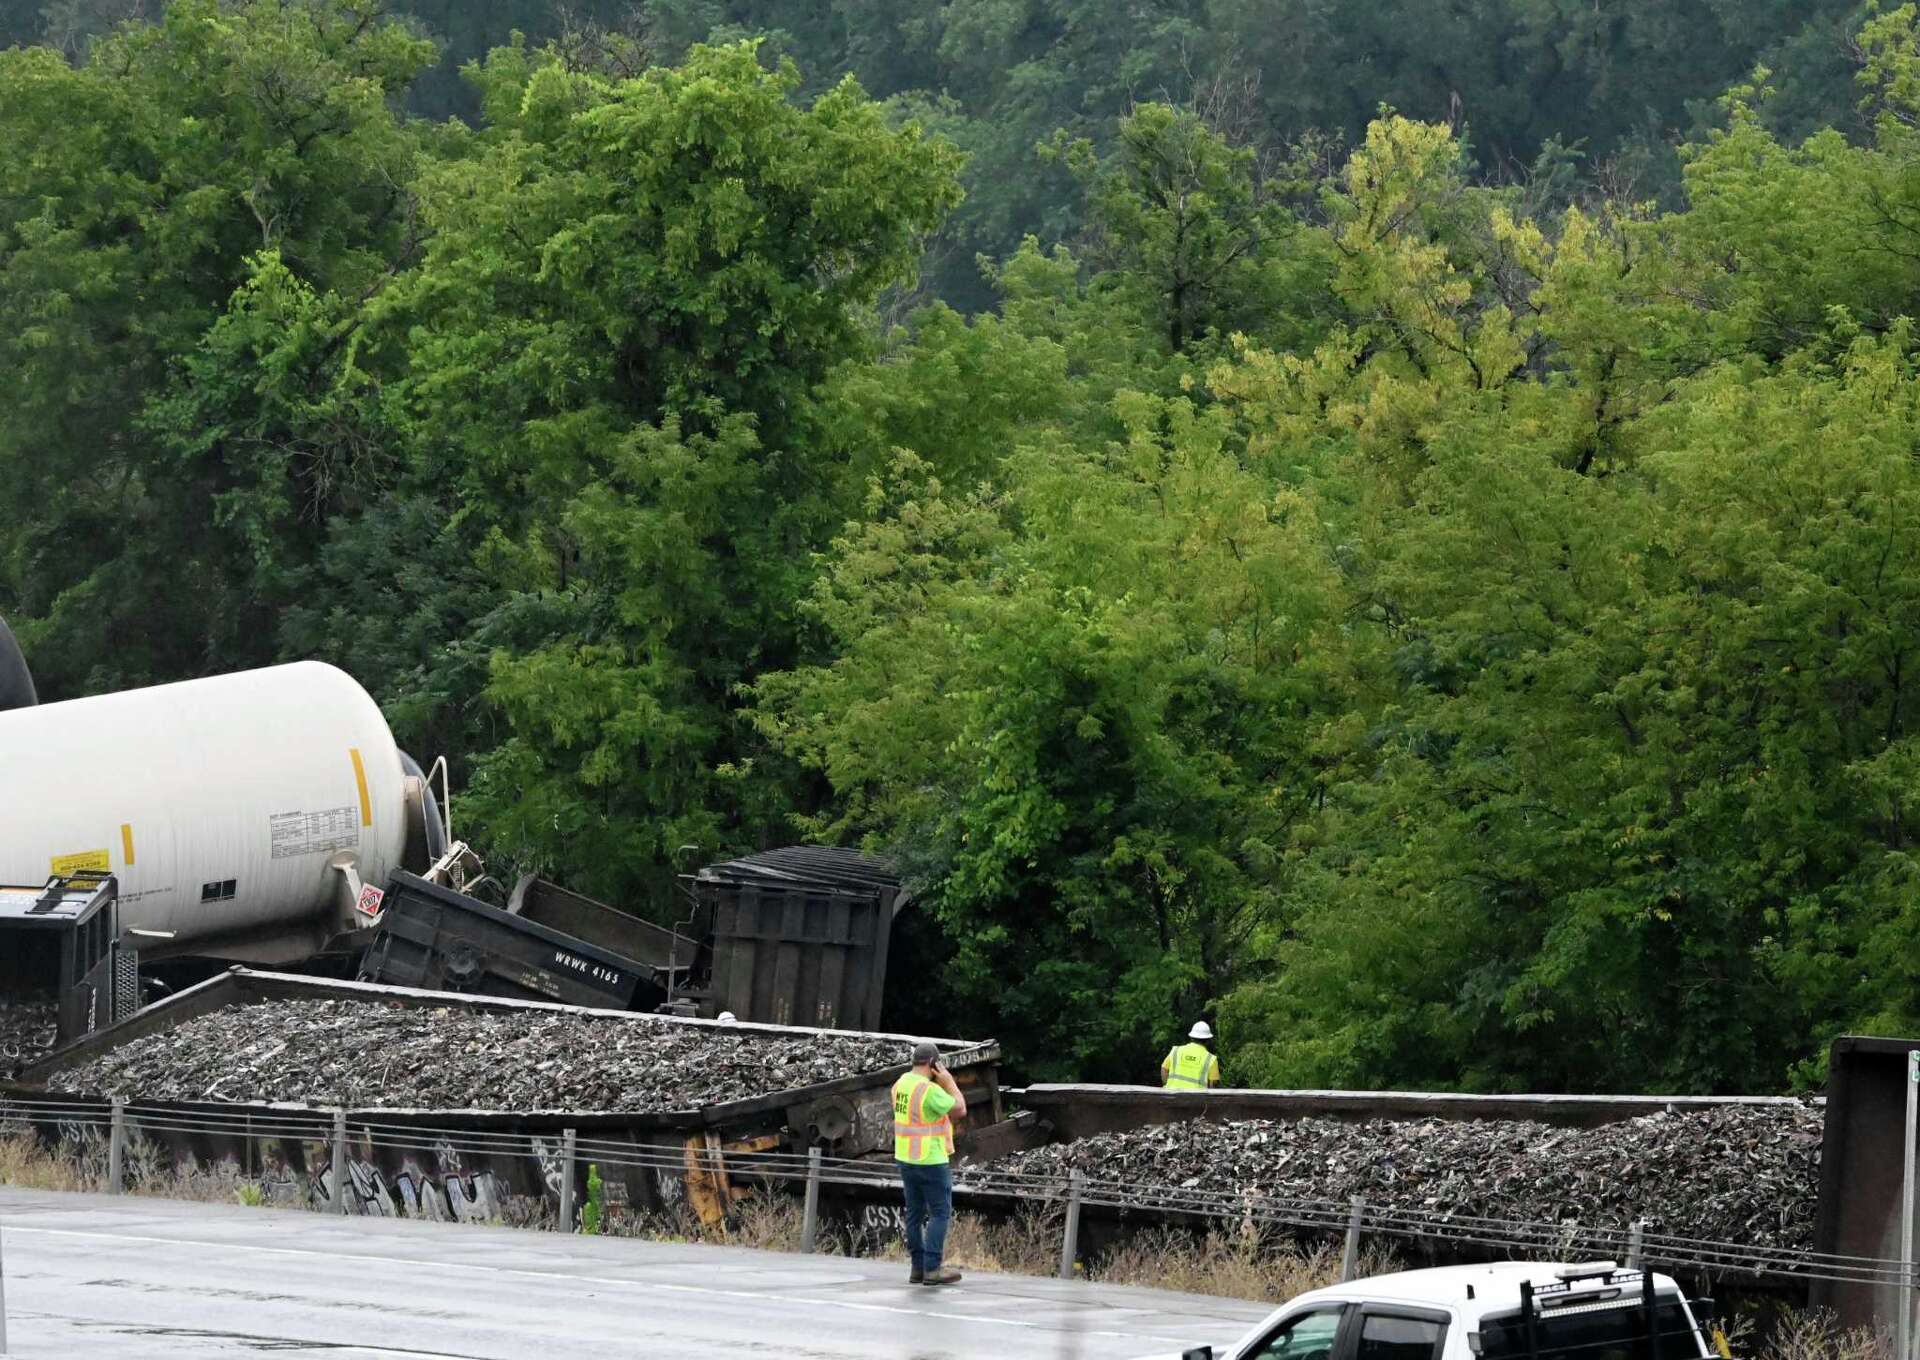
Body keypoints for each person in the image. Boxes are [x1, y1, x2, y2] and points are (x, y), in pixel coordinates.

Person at [893, 1039, 967, 1286]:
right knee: (940, 1213)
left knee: (914, 1214)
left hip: (906, 1157)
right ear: (934, 1064)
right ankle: (933, 1269)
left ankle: (917, 1268)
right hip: (930, 1159)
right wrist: (948, 1082)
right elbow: (959, 1109)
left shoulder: (900, 1084)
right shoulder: (930, 1091)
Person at [1161, 1020, 1223, 1089]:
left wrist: (1167, 1086)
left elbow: (1164, 1069)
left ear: (1191, 1037)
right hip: (1197, 1099)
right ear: (1208, 1040)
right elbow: (1214, 1085)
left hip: (1171, 1096)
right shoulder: (1211, 1059)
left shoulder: (1176, 1051)